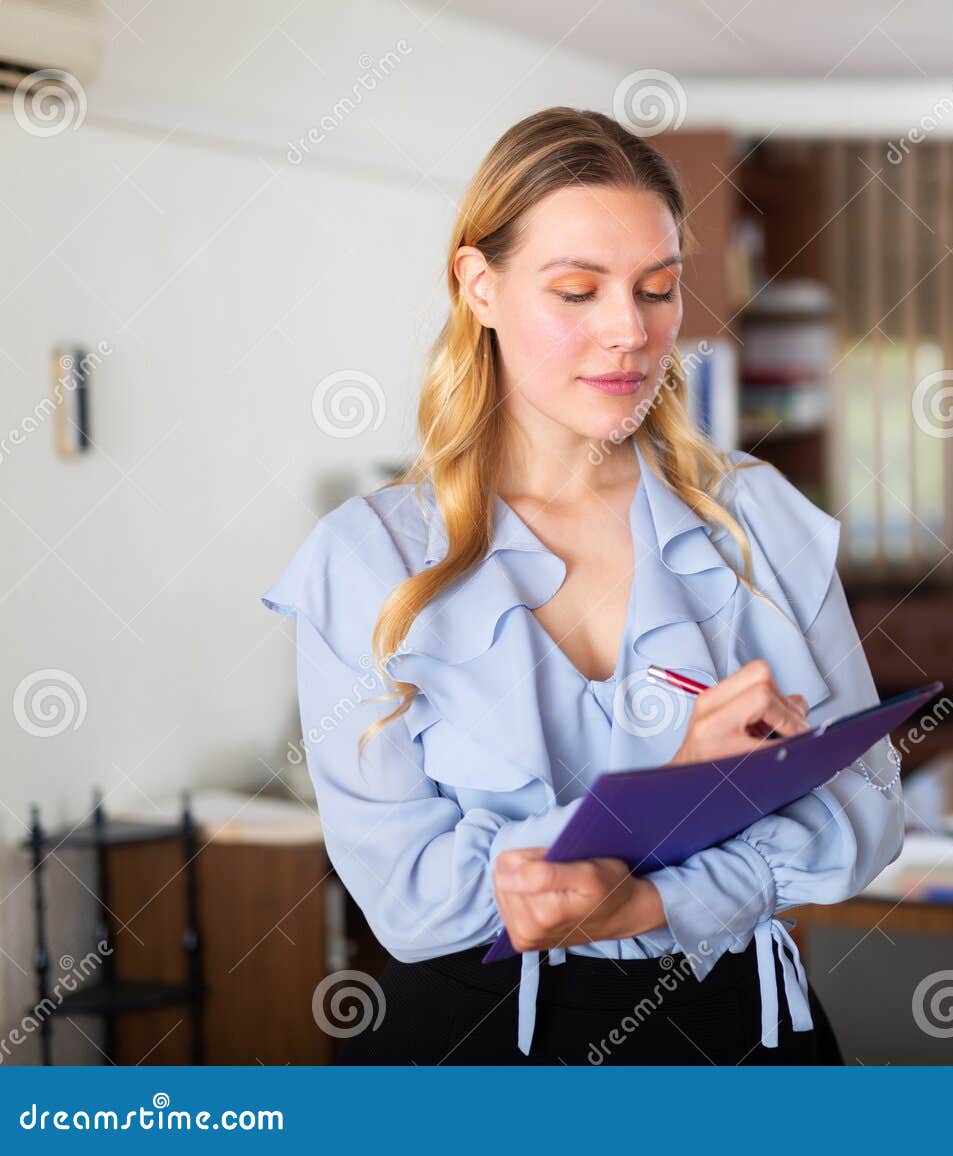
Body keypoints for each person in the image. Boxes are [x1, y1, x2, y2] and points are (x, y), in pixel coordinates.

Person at [259, 107, 905, 1064]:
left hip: (738, 1040)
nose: (629, 335)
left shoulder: (756, 518)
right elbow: (414, 897)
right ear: (478, 286)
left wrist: (647, 899)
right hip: (475, 1049)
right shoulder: (369, 560)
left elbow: (863, 812)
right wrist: (674, 793)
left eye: (657, 290)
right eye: (577, 291)